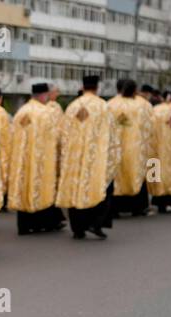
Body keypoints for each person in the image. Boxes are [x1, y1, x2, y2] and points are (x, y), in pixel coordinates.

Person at [56, 74, 118, 240]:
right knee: (102, 187)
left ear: (82, 87)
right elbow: (111, 135)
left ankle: (77, 228)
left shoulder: (72, 107)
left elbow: (63, 134)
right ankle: (96, 223)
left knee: (76, 188)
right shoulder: (103, 107)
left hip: (74, 158)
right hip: (96, 157)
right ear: (97, 87)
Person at [8, 82, 63, 235]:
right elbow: (55, 137)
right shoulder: (46, 113)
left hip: (22, 159)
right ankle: (42, 224)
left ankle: (24, 225)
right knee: (40, 188)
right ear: (44, 95)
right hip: (40, 159)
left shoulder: (21, 111)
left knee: (25, 187)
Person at [108, 78, 152, 217]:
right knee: (136, 175)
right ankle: (137, 207)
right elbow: (149, 128)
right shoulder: (142, 106)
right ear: (134, 90)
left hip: (114, 148)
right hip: (135, 148)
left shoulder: (109, 104)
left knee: (115, 176)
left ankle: (113, 209)